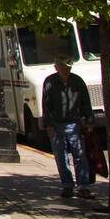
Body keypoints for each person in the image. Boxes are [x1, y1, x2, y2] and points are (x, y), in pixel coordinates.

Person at [41, 55, 95, 199]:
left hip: (73, 123)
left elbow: (85, 102)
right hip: (56, 124)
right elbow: (46, 105)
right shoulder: (50, 82)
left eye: (68, 68)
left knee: (79, 155)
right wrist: (48, 124)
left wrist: (89, 121)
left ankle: (83, 186)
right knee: (60, 156)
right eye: (62, 67)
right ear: (56, 68)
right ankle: (67, 185)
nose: (65, 70)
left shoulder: (77, 81)